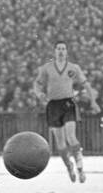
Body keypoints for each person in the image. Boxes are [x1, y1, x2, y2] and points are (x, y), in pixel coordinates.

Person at [31, 41, 99, 184]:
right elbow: (37, 84)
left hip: (68, 103)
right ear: (54, 52)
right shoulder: (47, 68)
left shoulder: (73, 68)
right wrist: (39, 94)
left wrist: (93, 101)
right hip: (53, 105)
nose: (61, 51)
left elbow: (86, 84)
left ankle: (80, 166)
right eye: (58, 49)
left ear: (66, 51)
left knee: (71, 136)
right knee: (60, 143)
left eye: (63, 48)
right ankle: (69, 166)